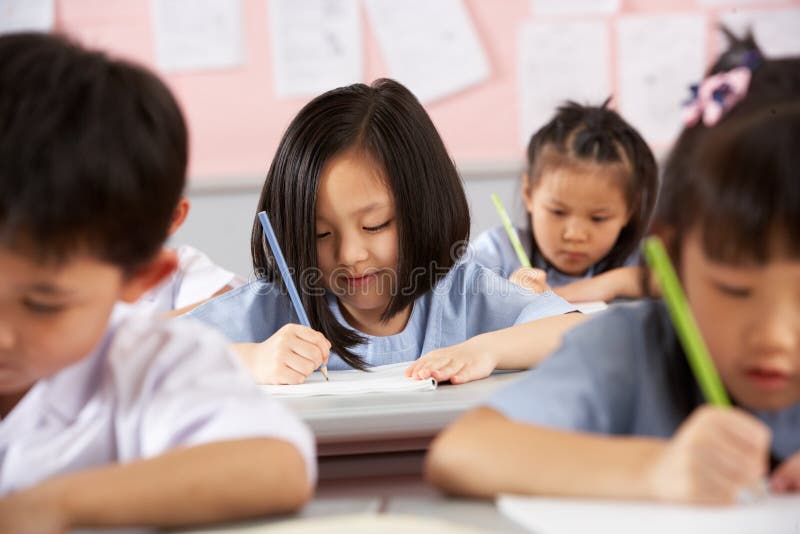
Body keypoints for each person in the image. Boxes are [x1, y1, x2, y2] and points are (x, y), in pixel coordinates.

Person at [426, 35, 800, 504]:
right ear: (672, 253)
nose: (778, 338)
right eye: (736, 290)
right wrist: (655, 469)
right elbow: (461, 451)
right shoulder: (629, 349)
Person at [0, 33, 314, 531]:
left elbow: (277, 467)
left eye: (42, 304)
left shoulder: (149, 362)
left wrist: (49, 505)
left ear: (139, 277)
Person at [188, 79, 584, 385]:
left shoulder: (462, 295)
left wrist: (488, 351)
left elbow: (578, 329)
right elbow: (140, 356)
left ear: (425, 206)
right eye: (319, 234)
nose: (350, 254)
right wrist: (251, 360)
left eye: (375, 225)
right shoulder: (273, 307)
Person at [471, 101, 657, 303]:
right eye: (558, 212)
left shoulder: (637, 259)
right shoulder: (498, 251)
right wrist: (506, 301)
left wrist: (613, 283)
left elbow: (680, 282)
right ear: (529, 193)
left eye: (598, 218)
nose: (575, 235)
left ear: (629, 211)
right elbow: (450, 304)